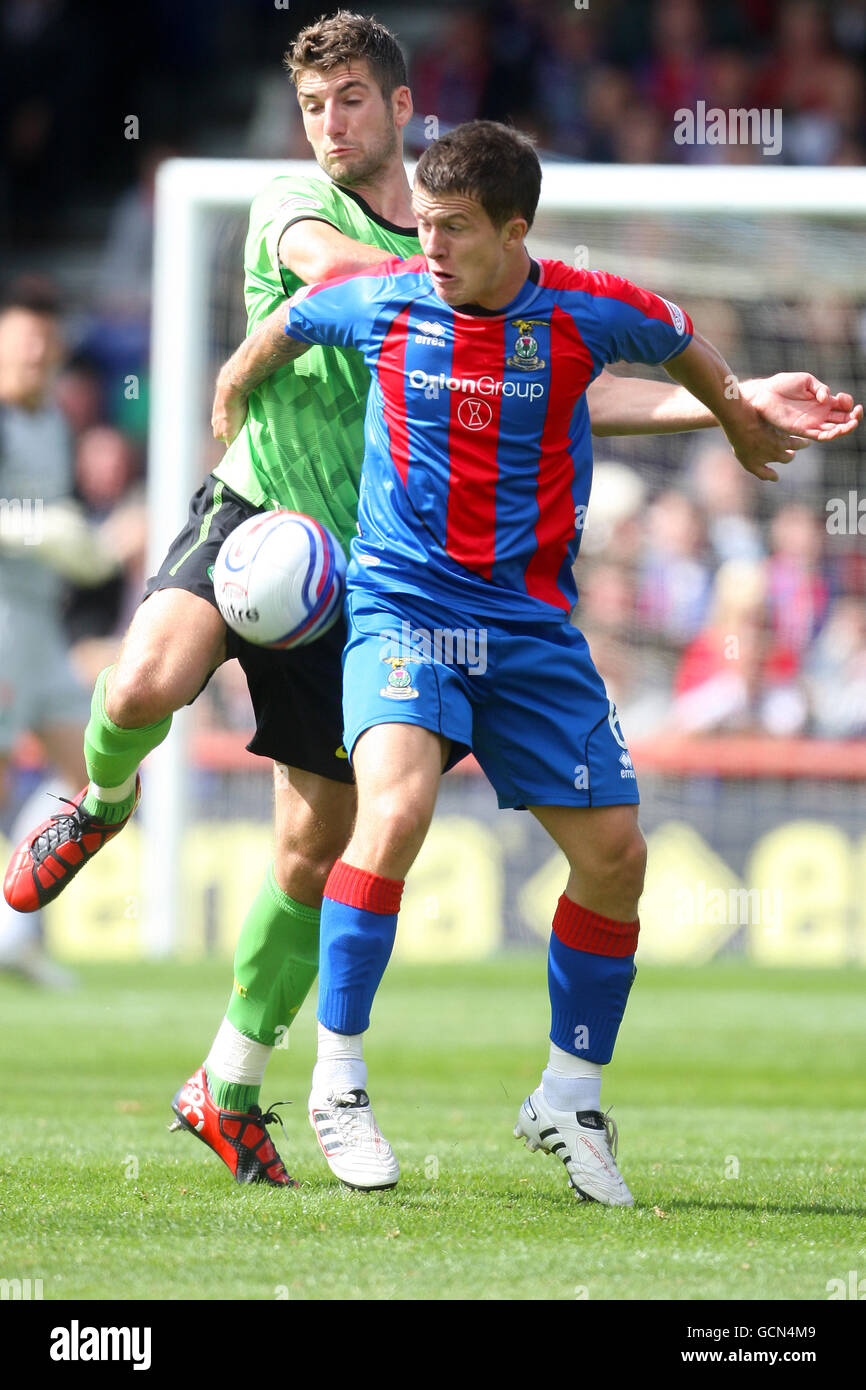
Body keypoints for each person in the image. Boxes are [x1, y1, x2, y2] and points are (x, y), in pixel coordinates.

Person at [4, 14, 861, 1190]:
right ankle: (96, 800)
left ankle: (230, 1075)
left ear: (405, 110)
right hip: (263, 519)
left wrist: (729, 404)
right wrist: (420, 288)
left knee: (313, 845)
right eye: (314, 104)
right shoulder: (297, 211)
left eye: (352, 100)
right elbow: (337, 277)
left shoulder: (467, 263)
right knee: (149, 675)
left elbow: (551, 389)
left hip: (368, 573)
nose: (330, 123)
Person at [218, 118, 861, 1204]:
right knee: (397, 806)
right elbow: (286, 322)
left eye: (454, 229)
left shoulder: (579, 309)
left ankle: (568, 1093)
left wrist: (738, 416)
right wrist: (229, 398)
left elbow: (677, 340)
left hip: (525, 628)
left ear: (514, 230)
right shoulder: (383, 296)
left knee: (615, 854)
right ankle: (338, 1075)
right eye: (422, 223)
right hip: (403, 608)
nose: (429, 245)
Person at [0, 282, 117, 987]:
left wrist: (91, 549)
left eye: (44, 345)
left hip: (41, 620)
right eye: (21, 341)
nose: (33, 354)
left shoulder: (54, 426)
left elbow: (73, 538)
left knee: (97, 779)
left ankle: (16, 930)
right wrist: (39, 530)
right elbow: (42, 526)